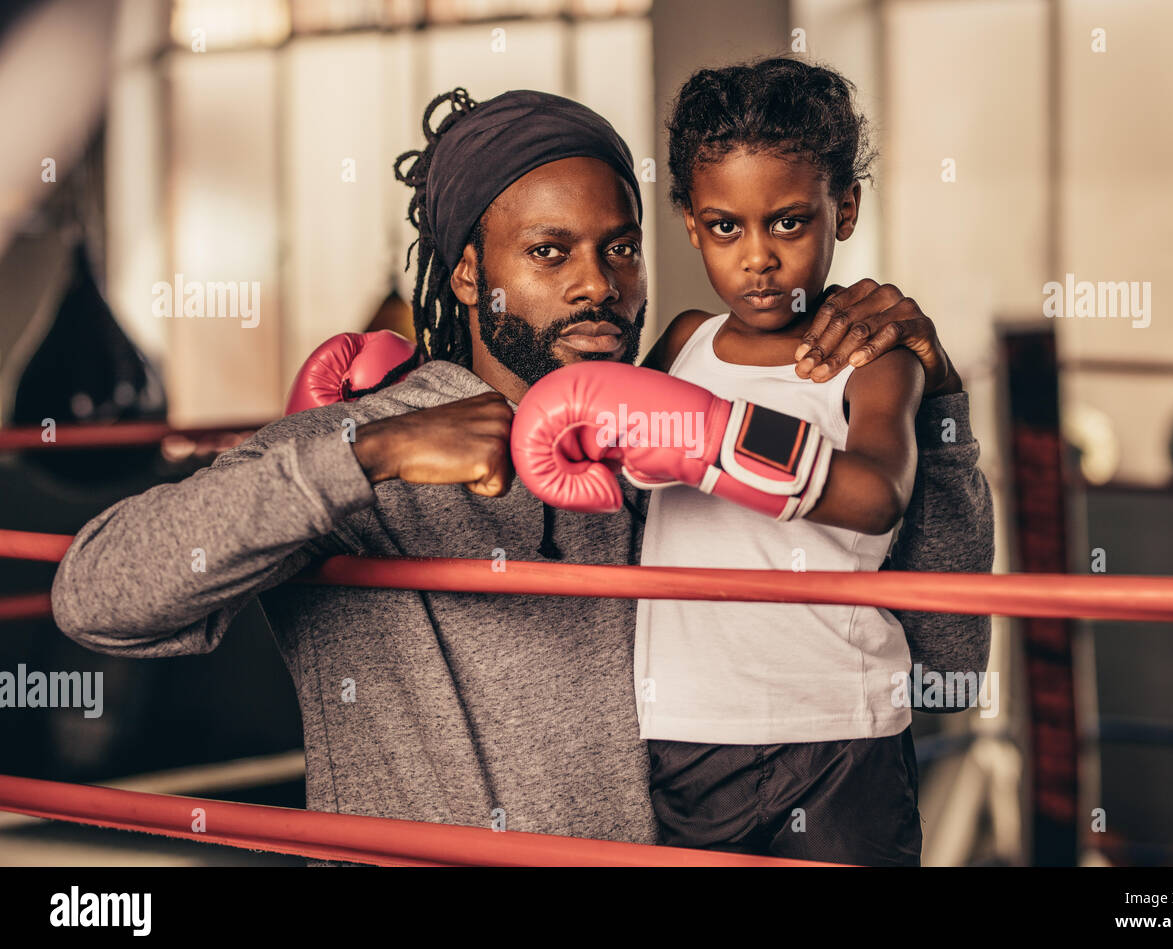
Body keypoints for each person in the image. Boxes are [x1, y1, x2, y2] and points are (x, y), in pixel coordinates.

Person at [50, 86, 992, 857]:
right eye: (548, 253)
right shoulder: (350, 445)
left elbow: (948, 657)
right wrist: (361, 456)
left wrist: (934, 402)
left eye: (619, 247)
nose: (598, 285)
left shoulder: (659, 428)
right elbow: (96, 596)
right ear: (468, 276)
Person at [638, 57, 935, 864]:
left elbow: (878, 495)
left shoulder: (872, 356)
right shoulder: (681, 344)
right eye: (727, 227)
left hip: (837, 725)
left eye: (789, 223)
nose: (758, 256)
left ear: (844, 210)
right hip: (688, 726)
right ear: (692, 224)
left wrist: (712, 437)